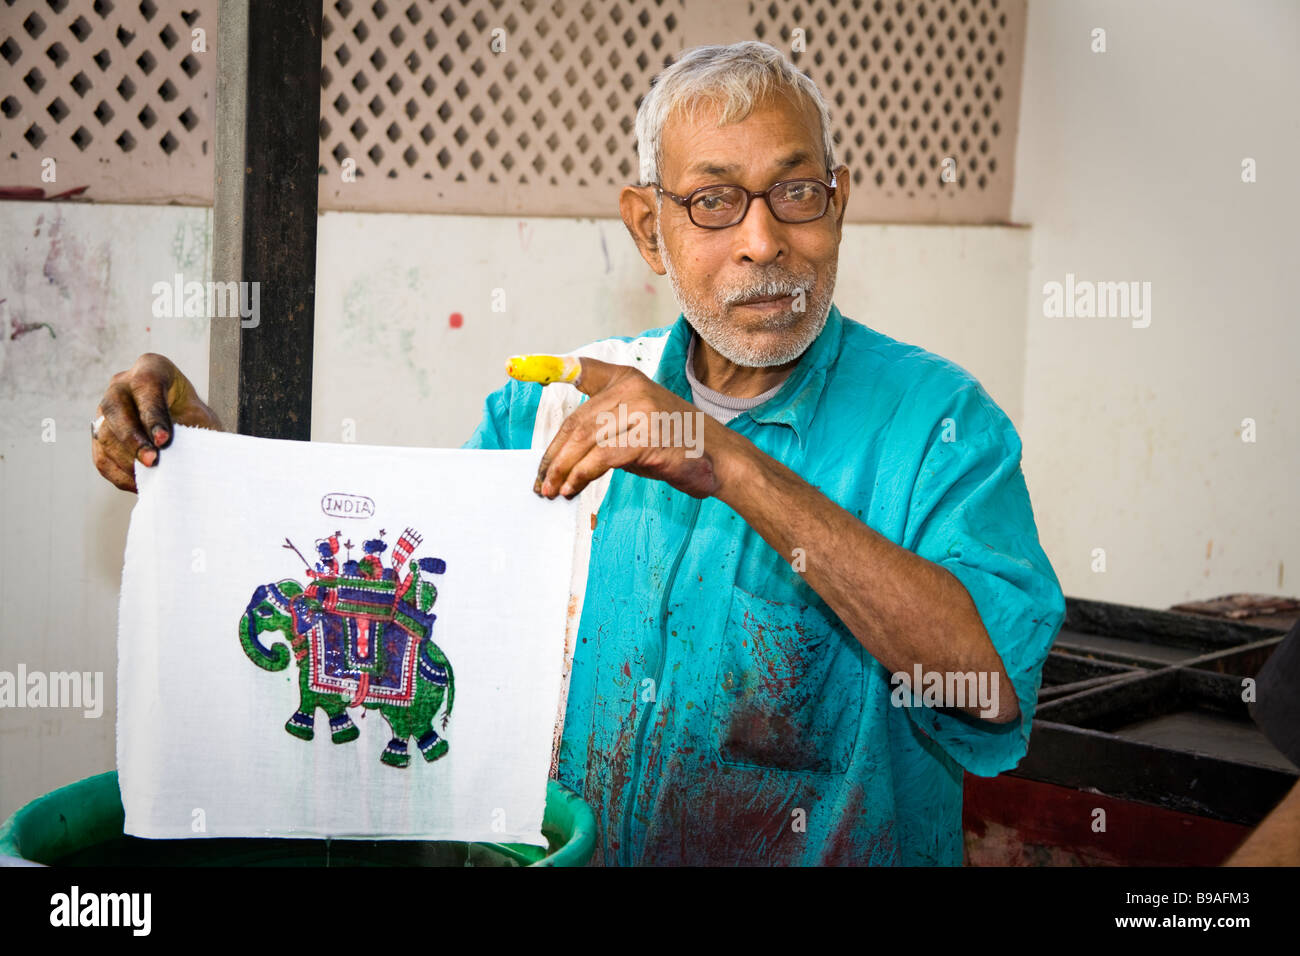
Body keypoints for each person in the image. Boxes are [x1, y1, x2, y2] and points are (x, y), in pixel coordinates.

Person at [91, 41, 1064, 865]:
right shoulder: (555, 406)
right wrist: (198, 461)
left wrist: (725, 463)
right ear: (649, 227)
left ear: (838, 202)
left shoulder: (939, 425)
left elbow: (987, 691)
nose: (763, 240)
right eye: (714, 201)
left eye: (795, 192)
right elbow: (387, 591)